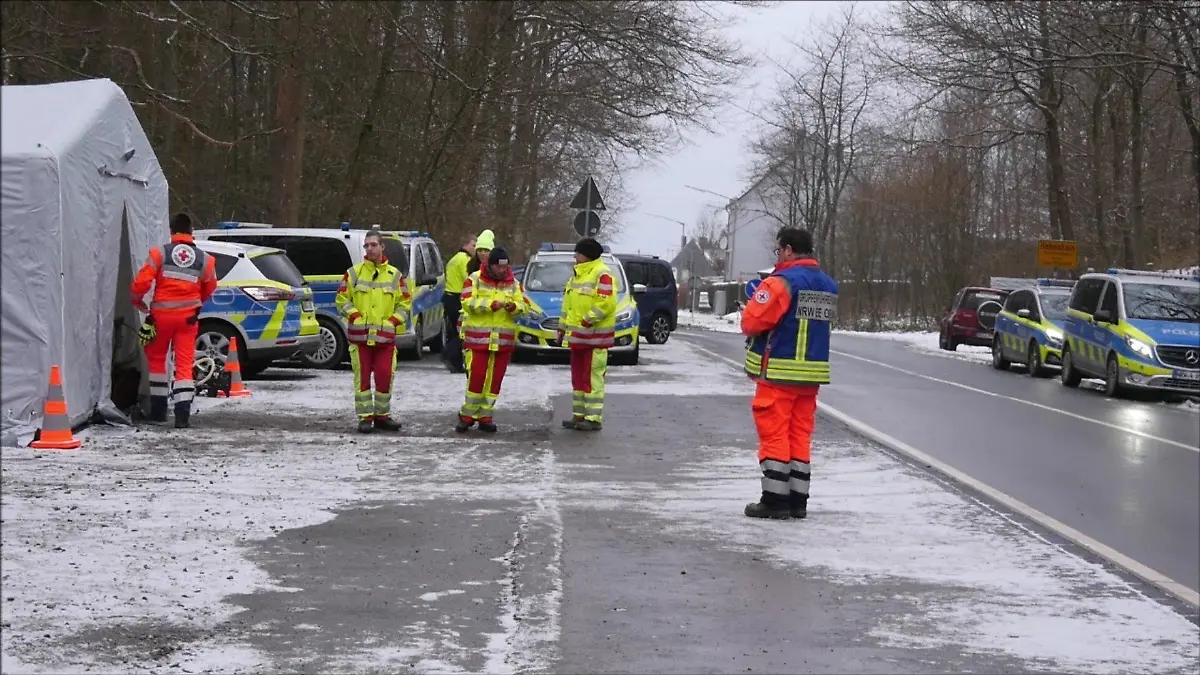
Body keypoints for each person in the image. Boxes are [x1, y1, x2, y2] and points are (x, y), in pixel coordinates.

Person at [740, 228, 838, 520]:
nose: (778, 255)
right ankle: (798, 500)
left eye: (778, 250)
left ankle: (774, 500)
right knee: (799, 436)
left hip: (780, 372)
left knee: (774, 434)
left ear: (788, 250)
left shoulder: (782, 282)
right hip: (811, 376)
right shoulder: (828, 285)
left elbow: (752, 321)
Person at [130, 212, 218, 428]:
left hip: (161, 317)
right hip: (188, 319)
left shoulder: (160, 253)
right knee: (184, 364)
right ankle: (182, 416)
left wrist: (137, 300)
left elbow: (142, 282)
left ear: (171, 231)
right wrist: (196, 302)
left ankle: (159, 412)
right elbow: (210, 287)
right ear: (191, 232)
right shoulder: (205, 259)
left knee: (157, 359)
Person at [336, 228, 412, 434]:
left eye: (374, 245)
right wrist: (355, 317)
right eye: (367, 245)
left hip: (385, 338)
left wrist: (392, 322)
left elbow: (405, 303)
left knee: (385, 376)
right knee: (361, 379)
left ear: (382, 247)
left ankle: (382, 416)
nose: (370, 248)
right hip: (360, 338)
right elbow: (341, 300)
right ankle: (364, 417)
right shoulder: (353, 273)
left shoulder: (395, 276)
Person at [455, 247, 533, 433]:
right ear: (490, 265)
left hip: (503, 342)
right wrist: (490, 305)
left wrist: (514, 306)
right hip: (478, 340)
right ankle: (467, 416)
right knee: (477, 378)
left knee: (494, 381)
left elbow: (526, 305)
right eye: (498, 267)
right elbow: (466, 301)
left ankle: (486, 416)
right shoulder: (474, 279)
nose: (502, 270)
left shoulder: (514, 283)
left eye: (505, 267)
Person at [559, 238, 617, 431]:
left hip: (594, 338)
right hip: (578, 337)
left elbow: (605, 304)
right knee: (578, 377)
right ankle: (579, 415)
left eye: (578, 253)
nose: (575, 257)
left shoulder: (602, 274)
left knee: (592, 377)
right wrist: (562, 328)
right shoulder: (576, 276)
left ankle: (592, 418)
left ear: (587, 255)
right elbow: (567, 306)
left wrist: (587, 320)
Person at [440, 233, 477, 374]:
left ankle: (453, 360)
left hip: (449, 297)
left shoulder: (454, 259)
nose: (475, 249)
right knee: (461, 332)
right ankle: (449, 356)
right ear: (465, 245)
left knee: (454, 331)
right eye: (473, 245)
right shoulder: (465, 260)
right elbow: (469, 279)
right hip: (457, 298)